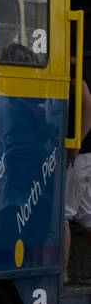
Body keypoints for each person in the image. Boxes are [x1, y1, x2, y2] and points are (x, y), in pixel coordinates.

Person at [65, 76, 91, 282]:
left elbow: (88, 111)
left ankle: (63, 274)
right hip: (85, 156)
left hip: (80, 156)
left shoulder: (76, 81)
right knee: (87, 215)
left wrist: (76, 143)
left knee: (63, 215)